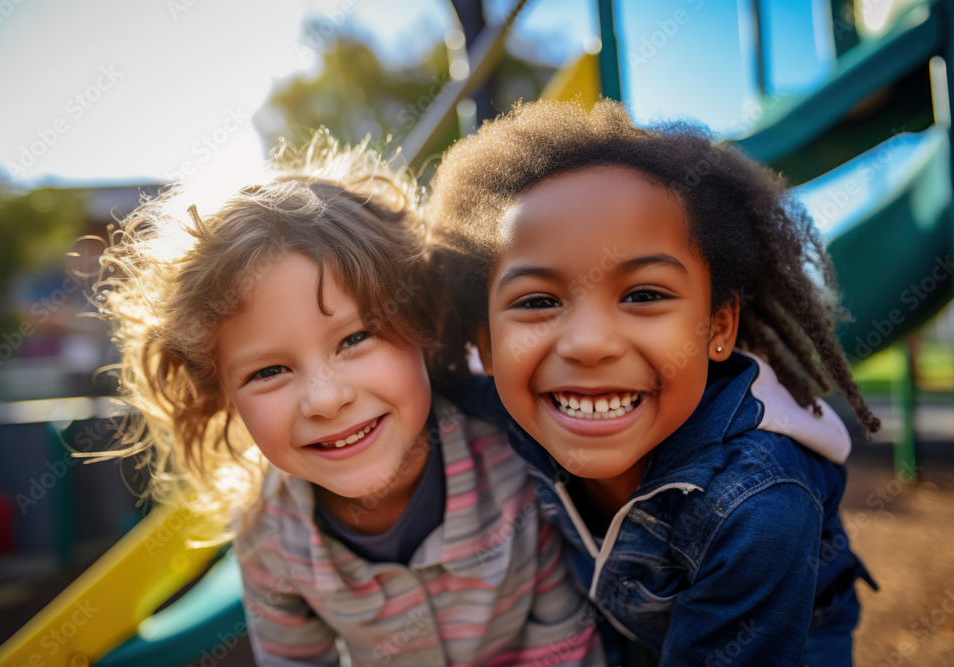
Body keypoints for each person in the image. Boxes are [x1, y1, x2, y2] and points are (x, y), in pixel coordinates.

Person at [95, 130, 604, 666]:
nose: (325, 398)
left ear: (424, 318)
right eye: (269, 370)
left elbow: (564, 638)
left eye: (355, 338)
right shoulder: (271, 535)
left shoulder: (515, 460)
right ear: (222, 397)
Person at [428, 99, 879, 666]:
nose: (589, 343)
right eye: (538, 300)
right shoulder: (501, 396)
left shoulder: (758, 510)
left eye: (644, 295)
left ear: (719, 327)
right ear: (487, 345)